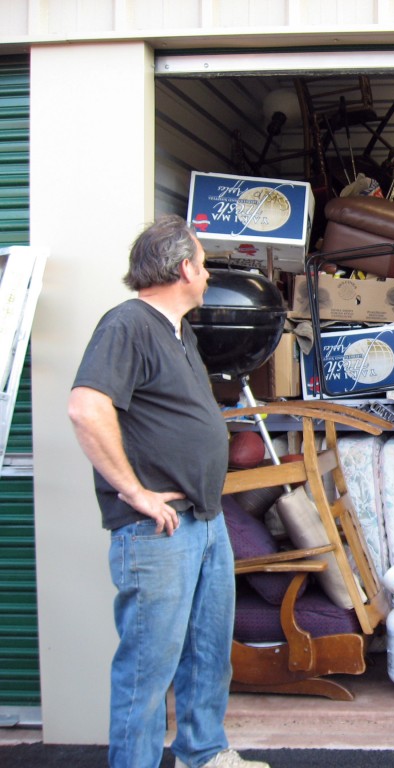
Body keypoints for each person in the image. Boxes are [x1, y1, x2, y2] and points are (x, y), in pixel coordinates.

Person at [67, 215, 270, 768]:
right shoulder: (127, 324)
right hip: (159, 529)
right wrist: (134, 492)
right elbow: (86, 408)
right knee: (147, 667)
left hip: (204, 521)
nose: (206, 276)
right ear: (184, 268)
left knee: (208, 655)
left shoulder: (178, 331)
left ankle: (203, 755)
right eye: (203, 265)